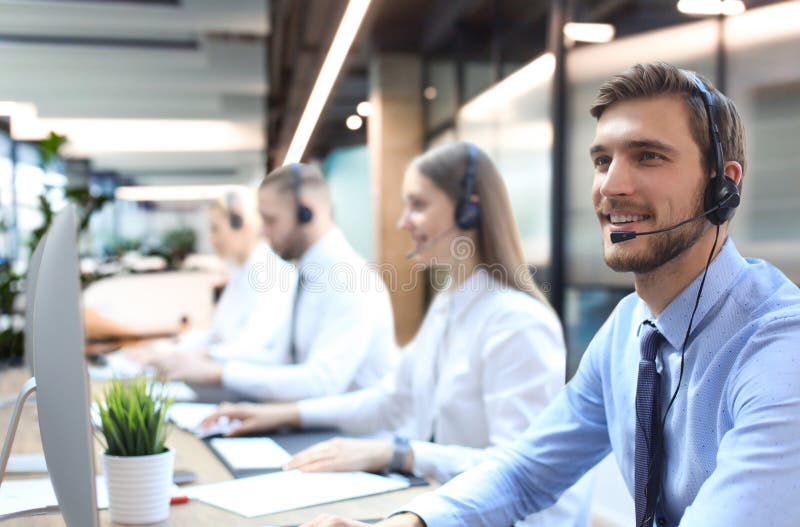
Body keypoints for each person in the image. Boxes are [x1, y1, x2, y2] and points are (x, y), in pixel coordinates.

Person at [295, 62, 800, 527]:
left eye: (648, 156)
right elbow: (526, 470)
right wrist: (409, 523)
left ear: (723, 187)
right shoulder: (628, 328)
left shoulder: (780, 350)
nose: (611, 186)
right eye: (602, 160)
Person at [202, 143, 592, 526]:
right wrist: (281, 415)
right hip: (443, 507)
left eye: (418, 205)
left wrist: (400, 453)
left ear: (469, 210)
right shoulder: (449, 304)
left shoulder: (517, 322)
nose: (403, 221)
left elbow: (517, 472)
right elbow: (390, 400)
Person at [155, 163, 397, 400]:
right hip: (314, 418)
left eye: (270, 220)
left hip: (352, 425)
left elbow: (323, 382)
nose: (263, 232)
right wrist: (205, 362)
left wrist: (220, 372)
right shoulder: (305, 274)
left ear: (306, 213)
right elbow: (279, 359)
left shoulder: (351, 279)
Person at [128, 190, 296, 384]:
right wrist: (167, 351)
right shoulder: (242, 272)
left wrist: (198, 355)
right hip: (228, 376)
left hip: (248, 383)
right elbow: (215, 335)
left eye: (216, 229)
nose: (211, 238)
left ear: (242, 224)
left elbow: (254, 349)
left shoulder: (270, 273)